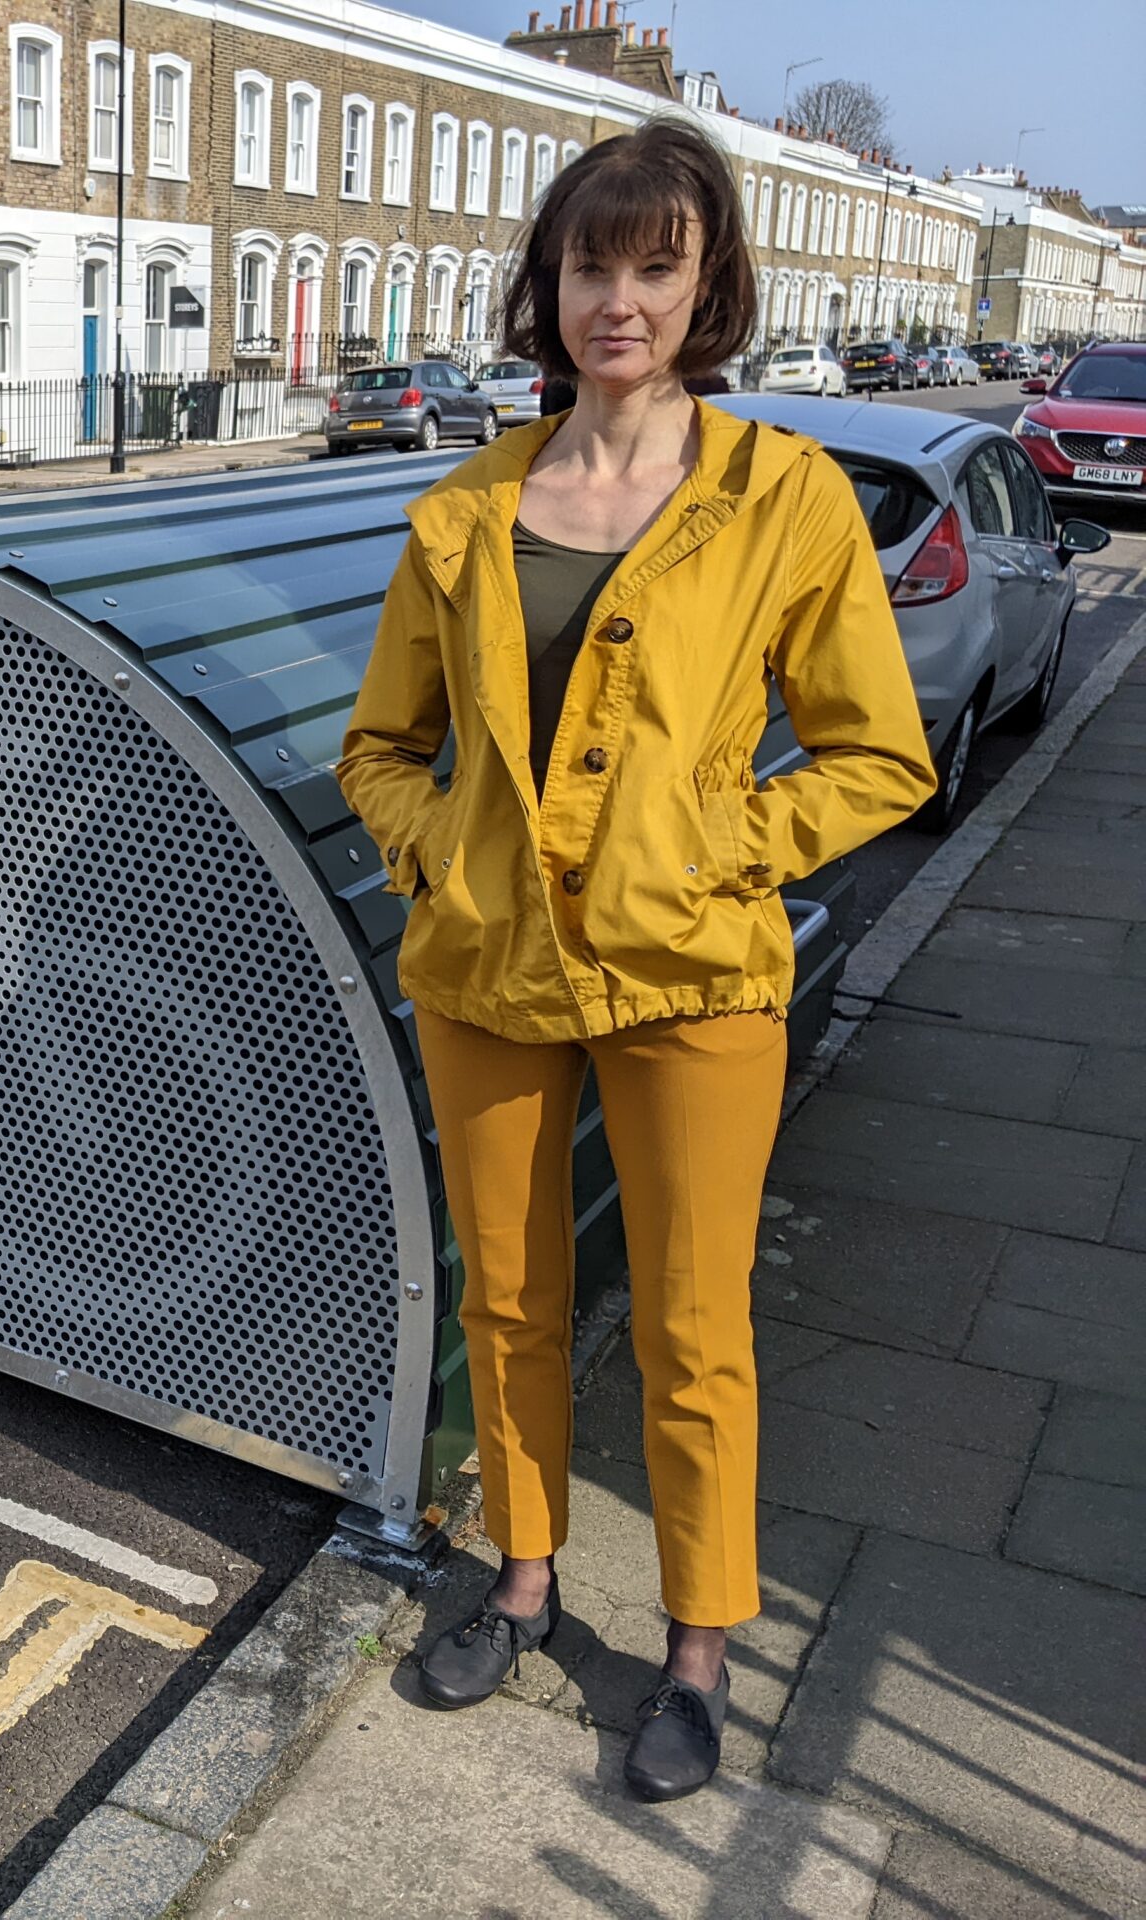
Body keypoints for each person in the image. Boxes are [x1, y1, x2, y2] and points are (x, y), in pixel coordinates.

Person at [336, 117, 936, 1804]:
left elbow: (878, 755)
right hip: (487, 972)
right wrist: (438, 850)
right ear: (547, 290)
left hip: (695, 982)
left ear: (707, 285)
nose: (620, 298)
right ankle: (521, 1582)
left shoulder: (782, 497)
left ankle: (694, 1646)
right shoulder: (466, 506)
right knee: (512, 1296)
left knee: (691, 1327)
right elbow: (383, 743)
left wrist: (725, 848)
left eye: (656, 265)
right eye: (591, 264)